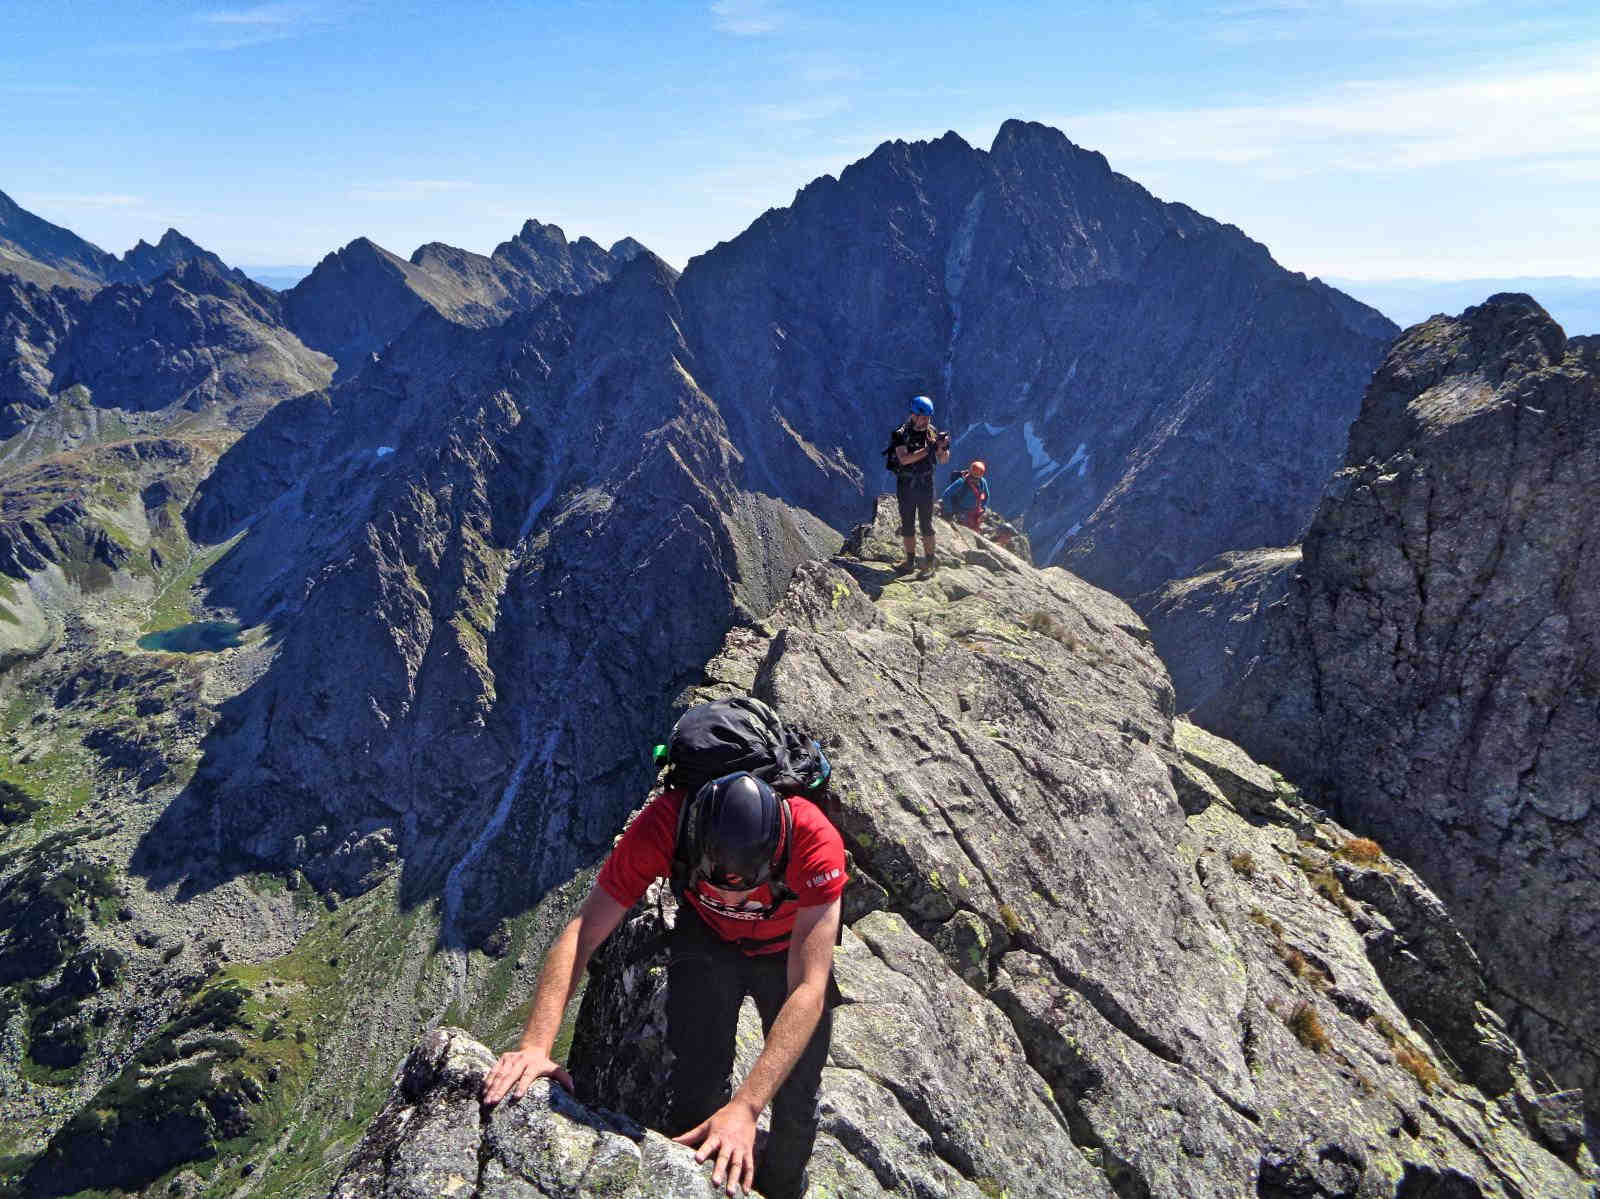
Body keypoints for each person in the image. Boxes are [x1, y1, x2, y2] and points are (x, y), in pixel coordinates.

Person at [482, 772, 846, 1199]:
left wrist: (747, 1108)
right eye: (718, 884)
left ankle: (781, 1187)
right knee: (695, 1076)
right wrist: (535, 1045)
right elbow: (583, 932)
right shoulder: (664, 826)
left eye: (748, 887)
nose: (734, 900)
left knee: (796, 1095)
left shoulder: (814, 842)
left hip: (786, 949)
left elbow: (808, 987)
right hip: (708, 939)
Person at [888, 394, 950, 576]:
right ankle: (909, 561)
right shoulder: (900, 434)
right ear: (913, 415)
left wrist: (943, 448)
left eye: (928, 417)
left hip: (925, 483)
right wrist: (929, 449)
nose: (926, 421)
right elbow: (904, 459)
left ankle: (929, 563)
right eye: (923, 417)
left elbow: (943, 460)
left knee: (926, 524)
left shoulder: (931, 432)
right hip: (906, 484)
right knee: (907, 524)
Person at [940, 460, 989, 531]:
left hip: (971, 511)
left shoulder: (982, 481)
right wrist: (949, 510)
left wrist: (983, 507)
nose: (975, 479)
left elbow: (986, 495)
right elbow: (946, 495)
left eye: (977, 478)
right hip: (960, 511)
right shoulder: (962, 481)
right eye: (973, 477)